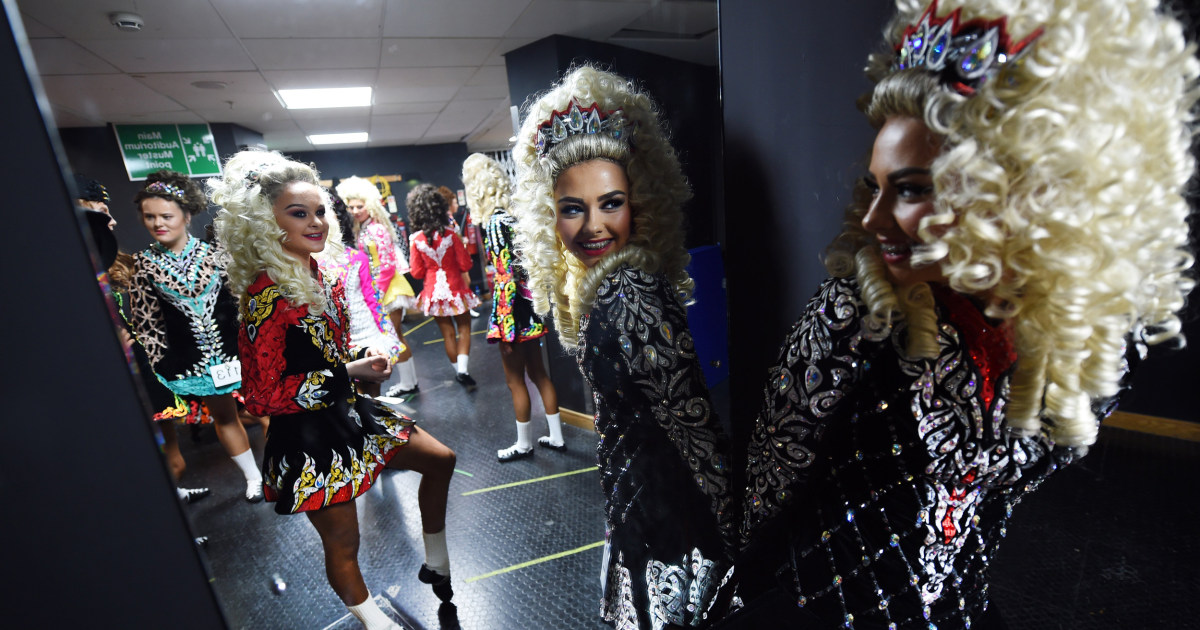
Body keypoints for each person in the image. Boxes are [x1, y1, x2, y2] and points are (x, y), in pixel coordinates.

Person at [732, 1, 1198, 627]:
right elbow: (771, 479)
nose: (872, 220)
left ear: (1023, 186)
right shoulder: (857, 313)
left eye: (913, 188)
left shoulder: (1092, 343)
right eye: (877, 185)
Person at [511, 65, 735, 629]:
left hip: (666, 513)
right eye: (572, 208)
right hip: (636, 501)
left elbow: (695, 432)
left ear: (641, 200)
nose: (592, 226)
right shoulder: (604, 282)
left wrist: (739, 525)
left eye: (611, 203)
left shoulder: (630, 289)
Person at [210, 151, 458, 629]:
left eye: (320, 210)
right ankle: (373, 621)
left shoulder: (317, 273)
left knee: (440, 460)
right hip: (307, 440)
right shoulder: (265, 297)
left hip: (348, 413)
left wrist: (364, 364)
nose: (316, 222)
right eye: (298, 213)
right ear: (266, 222)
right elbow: (263, 397)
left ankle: (437, 561)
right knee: (344, 545)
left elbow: (330, 352)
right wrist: (349, 373)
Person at [128, 170, 263, 502]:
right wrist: (161, 368)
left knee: (271, 408)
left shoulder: (216, 255)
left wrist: (259, 342)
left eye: (166, 215)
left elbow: (243, 303)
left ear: (186, 215)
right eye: (149, 216)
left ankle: (283, 466)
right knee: (225, 417)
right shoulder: (143, 267)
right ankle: (255, 478)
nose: (158, 223)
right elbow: (148, 326)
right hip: (196, 366)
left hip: (240, 351)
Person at [461, 153, 564, 461]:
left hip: (511, 310)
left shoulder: (493, 223)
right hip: (529, 305)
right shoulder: (514, 217)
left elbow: (504, 275)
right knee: (540, 373)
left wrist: (503, 325)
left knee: (514, 380)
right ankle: (556, 436)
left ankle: (523, 443)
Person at [335, 176, 420, 397]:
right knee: (394, 337)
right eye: (351, 206)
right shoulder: (362, 228)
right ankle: (408, 381)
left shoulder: (376, 229)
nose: (355, 210)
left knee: (395, 337)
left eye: (359, 206)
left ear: (370, 205)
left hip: (389, 289)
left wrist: (375, 296)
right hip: (378, 290)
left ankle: (409, 382)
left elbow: (387, 266)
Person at [317, 192, 407, 398]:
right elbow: (371, 298)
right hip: (345, 335)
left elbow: (372, 296)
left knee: (366, 387)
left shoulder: (353, 257)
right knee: (364, 390)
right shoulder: (315, 263)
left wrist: (384, 330)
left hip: (360, 331)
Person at [407, 184, 481, 387]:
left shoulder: (416, 239)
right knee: (464, 329)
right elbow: (466, 264)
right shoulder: (450, 234)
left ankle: (458, 372)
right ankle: (464, 371)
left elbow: (416, 272)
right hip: (456, 288)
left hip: (433, 292)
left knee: (447, 334)